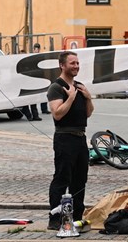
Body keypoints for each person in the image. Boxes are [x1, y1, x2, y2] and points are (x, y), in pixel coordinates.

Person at [47, 51, 94, 229]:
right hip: (64, 138)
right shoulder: (56, 88)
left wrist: (88, 98)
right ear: (62, 65)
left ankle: (76, 217)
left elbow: (88, 113)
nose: (76, 66)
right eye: (72, 63)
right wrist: (71, 97)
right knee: (62, 178)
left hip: (80, 138)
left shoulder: (80, 86)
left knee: (80, 179)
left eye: (77, 63)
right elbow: (57, 114)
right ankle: (55, 218)